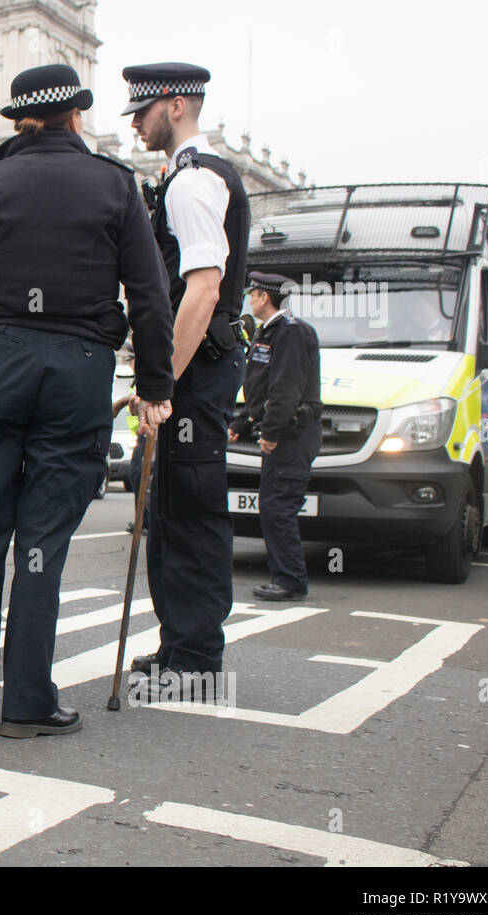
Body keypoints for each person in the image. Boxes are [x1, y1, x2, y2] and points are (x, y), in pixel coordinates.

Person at [0, 64, 174, 738]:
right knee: (41, 541)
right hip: (80, 369)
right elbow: (148, 295)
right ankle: (28, 701)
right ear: (76, 117)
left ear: (19, 120)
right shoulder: (115, 184)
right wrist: (154, 388)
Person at [121, 63, 250, 698]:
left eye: (142, 112)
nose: (136, 125)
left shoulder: (192, 182)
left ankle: (196, 656)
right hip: (197, 372)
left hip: (195, 375)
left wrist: (160, 382)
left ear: (174, 106)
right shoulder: (189, 177)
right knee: (171, 506)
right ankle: (183, 645)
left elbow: (202, 291)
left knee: (191, 509)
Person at [229, 272, 322, 600]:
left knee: (277, 507)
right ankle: (287, 576)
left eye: (252, 293)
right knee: (273, 506)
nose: (249, 299)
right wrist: (241, 424)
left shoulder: (291, 333)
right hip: (285, 432)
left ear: (264, 298)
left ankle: (290, 581)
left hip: (292, 435)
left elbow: (285, 388)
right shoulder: (269, 332)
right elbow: (260, 388)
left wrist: (271, 431)